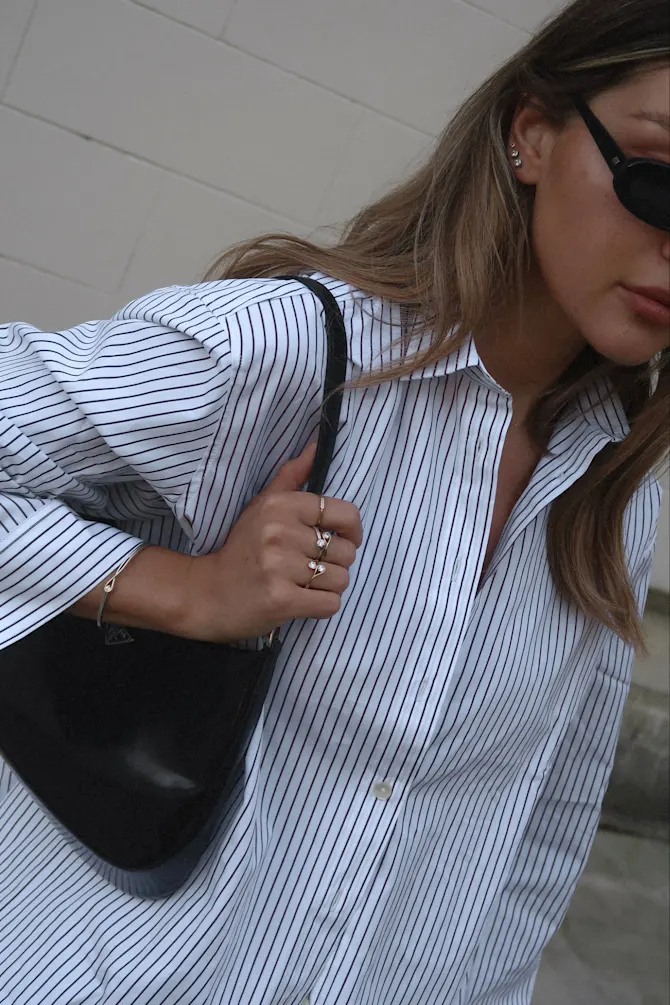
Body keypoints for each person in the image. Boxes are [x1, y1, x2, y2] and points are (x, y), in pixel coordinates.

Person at [0, 0, 668, 1001]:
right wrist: (180, 590)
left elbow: (536, 830)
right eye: (657, 180)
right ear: (532, 133)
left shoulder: (613, 487)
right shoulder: (285, 352)